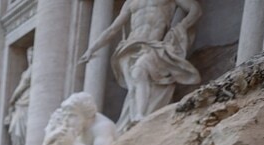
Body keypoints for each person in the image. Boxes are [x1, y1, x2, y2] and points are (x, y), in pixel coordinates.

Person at [79, 0, 203, 132]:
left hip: (152, 45)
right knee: (134, 88)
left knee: (139, 70)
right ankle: (134, 119)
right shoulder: (130, 2)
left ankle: (140, 115)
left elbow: (195, 9)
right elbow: (113, 29)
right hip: (129, 48)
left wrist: (182, 25)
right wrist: (91, 49)